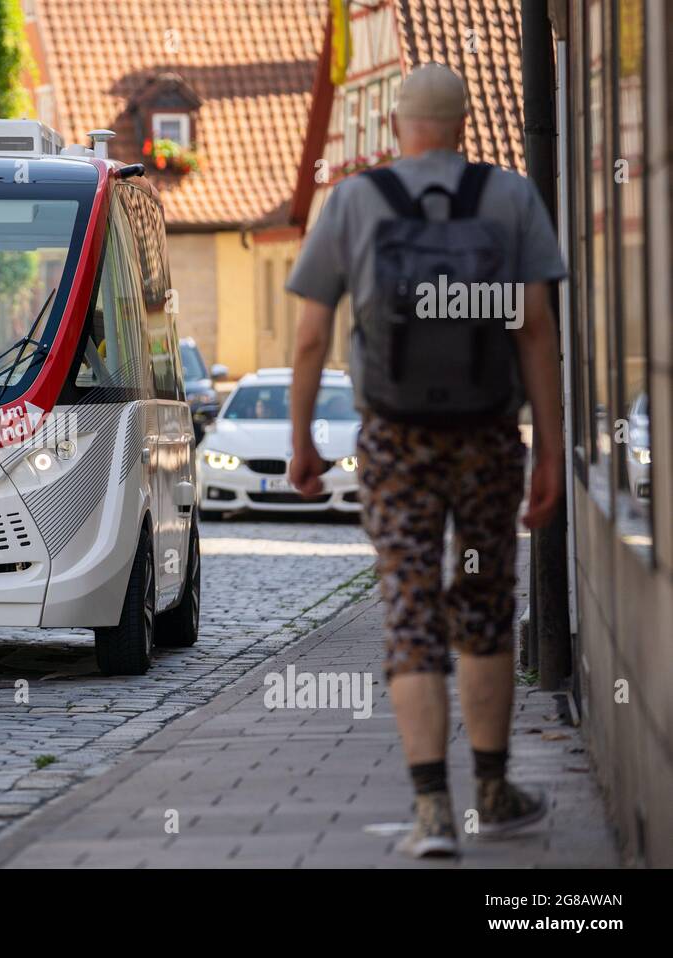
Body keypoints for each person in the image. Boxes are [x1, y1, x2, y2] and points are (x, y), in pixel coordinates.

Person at [285, 63, 567, 857]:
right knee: (481, 602)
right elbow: (536, 329)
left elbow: (310, 336)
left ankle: (432, 814)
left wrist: (302, 441)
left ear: (398, 125)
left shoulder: (355, 200)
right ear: (465, 124)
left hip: (395, 440)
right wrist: (546, 447)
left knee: (411, 607)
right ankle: (494, 788)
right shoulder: (510, 198)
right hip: (485, 439)